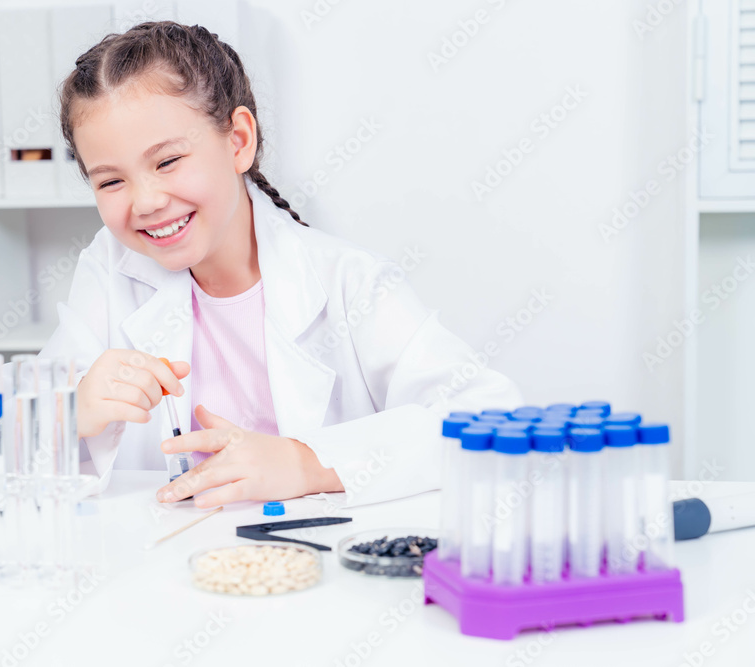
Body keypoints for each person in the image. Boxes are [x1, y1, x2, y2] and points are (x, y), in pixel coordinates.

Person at [40, 20, 522, 509]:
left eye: (167, 162)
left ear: (238, 140)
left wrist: (306, 463)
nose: (145, 202)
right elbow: (5, 451)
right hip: (170, 567)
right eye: (110, 182)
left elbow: (490, 418)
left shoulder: (348, 282)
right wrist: (69, 416)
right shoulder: (109, 267)